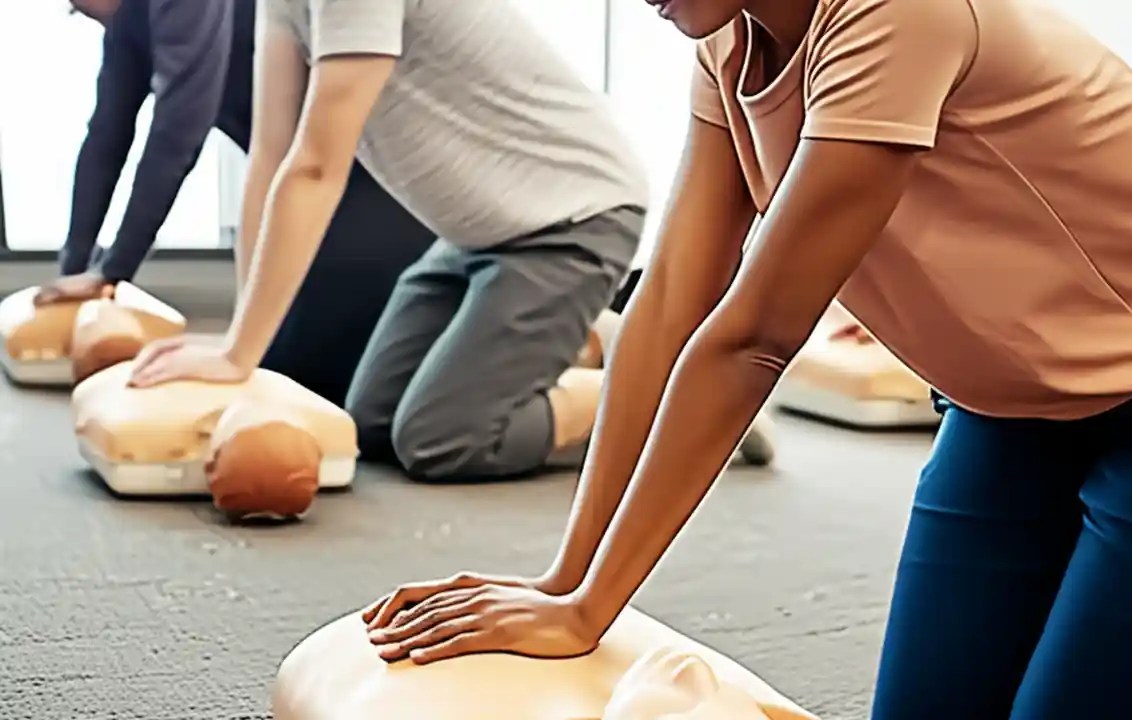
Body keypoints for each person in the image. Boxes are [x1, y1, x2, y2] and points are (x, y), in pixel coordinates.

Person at [351, 0, 1132, 717]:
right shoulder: (728, 45)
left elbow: (753, 336)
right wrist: (564, 581)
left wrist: (595, 606)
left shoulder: (895, 14)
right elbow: (673, 301)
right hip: (1015, 407)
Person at [125, 0, 779, 481]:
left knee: (443, 441)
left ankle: (670, 393)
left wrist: (239, 355)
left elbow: (318, 166)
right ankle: (589, 336)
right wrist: (247, 345)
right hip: (475, 238)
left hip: (573, 218)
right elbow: (271, 157)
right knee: (373, 422)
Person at [38, 0, 435, 405]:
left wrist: (112, 269)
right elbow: (107, 134)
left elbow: (176, 135)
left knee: (310, 379)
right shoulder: (127, 20)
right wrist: (76, 271)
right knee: (269, 364)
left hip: (376, 174)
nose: (76, 9)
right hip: (298, 176)